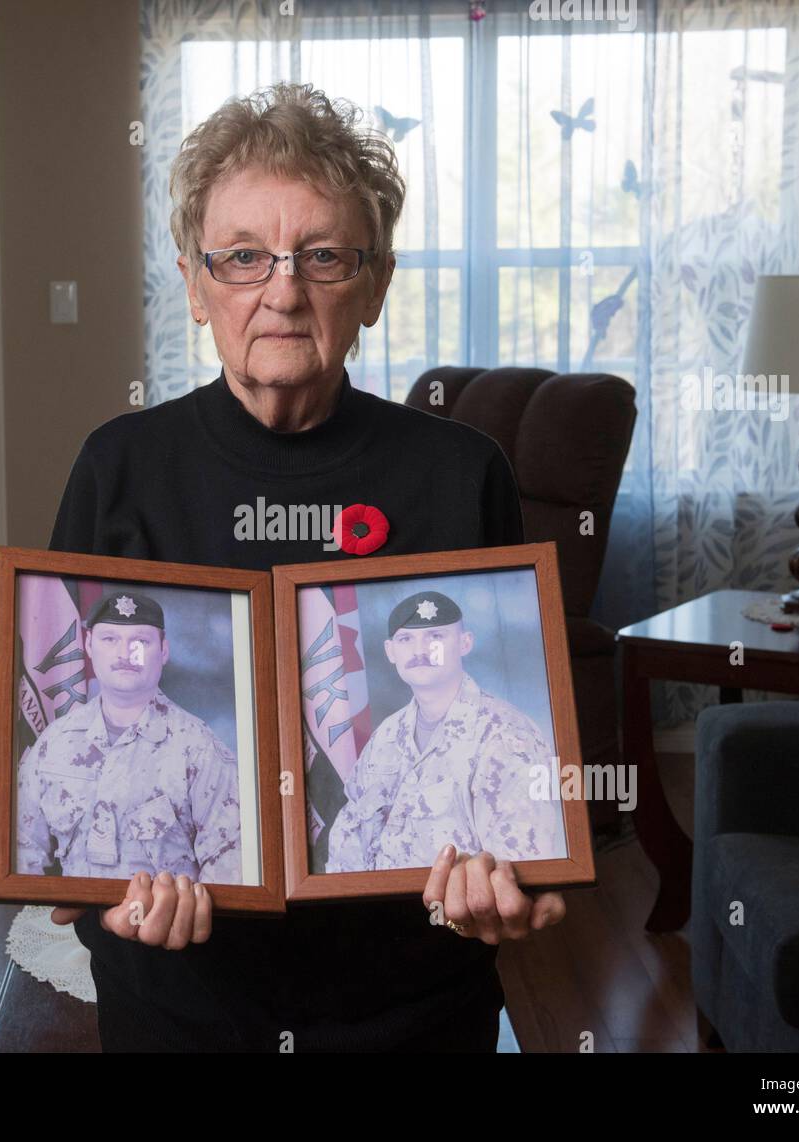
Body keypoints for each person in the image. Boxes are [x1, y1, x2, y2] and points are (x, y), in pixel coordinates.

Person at [46, 81, 566, 1051]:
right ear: (195, 284)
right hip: (178, 984)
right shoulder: (118, 467)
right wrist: (94, 897)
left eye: (321, 256)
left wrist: (513, 875)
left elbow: (521, 757)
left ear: (374, 282)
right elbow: (69, 742)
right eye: (242, 257)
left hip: (410, 989)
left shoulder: (461, 474)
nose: (280, 290)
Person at [325, 589, 566, 874]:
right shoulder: (385, 737)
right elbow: (347, 841)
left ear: (465, 643)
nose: (420, 652)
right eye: (406, 639)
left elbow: (519, 871)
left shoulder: (506, 735)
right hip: (371, 907)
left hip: (460, 912)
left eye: (436, 636)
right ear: (391, 651)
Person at [14, 590, 241, 884]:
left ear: (163, 651)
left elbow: (230, 859)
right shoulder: (54, 743)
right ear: (89, 646)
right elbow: (21, 846)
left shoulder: (199, 748)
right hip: (79, 919)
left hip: (166, 924)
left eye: (141, 641)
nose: (125, 653)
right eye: (110, 639)